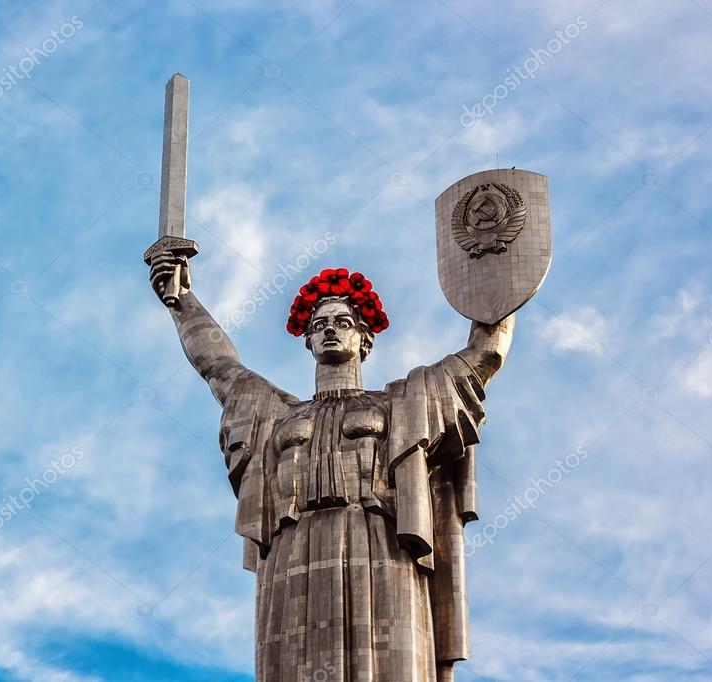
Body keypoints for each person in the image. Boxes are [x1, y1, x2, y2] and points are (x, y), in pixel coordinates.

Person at [149, 254, 514, 682]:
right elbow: (219, 368)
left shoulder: (401, 402)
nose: (329, 330)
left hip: (379, 543)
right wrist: (182, 300)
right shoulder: (276, 415)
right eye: (319, 324)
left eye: (342, 322)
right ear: (307, 340)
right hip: (293, 546)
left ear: (365, 339)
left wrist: (499, 271)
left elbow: (483, 355)